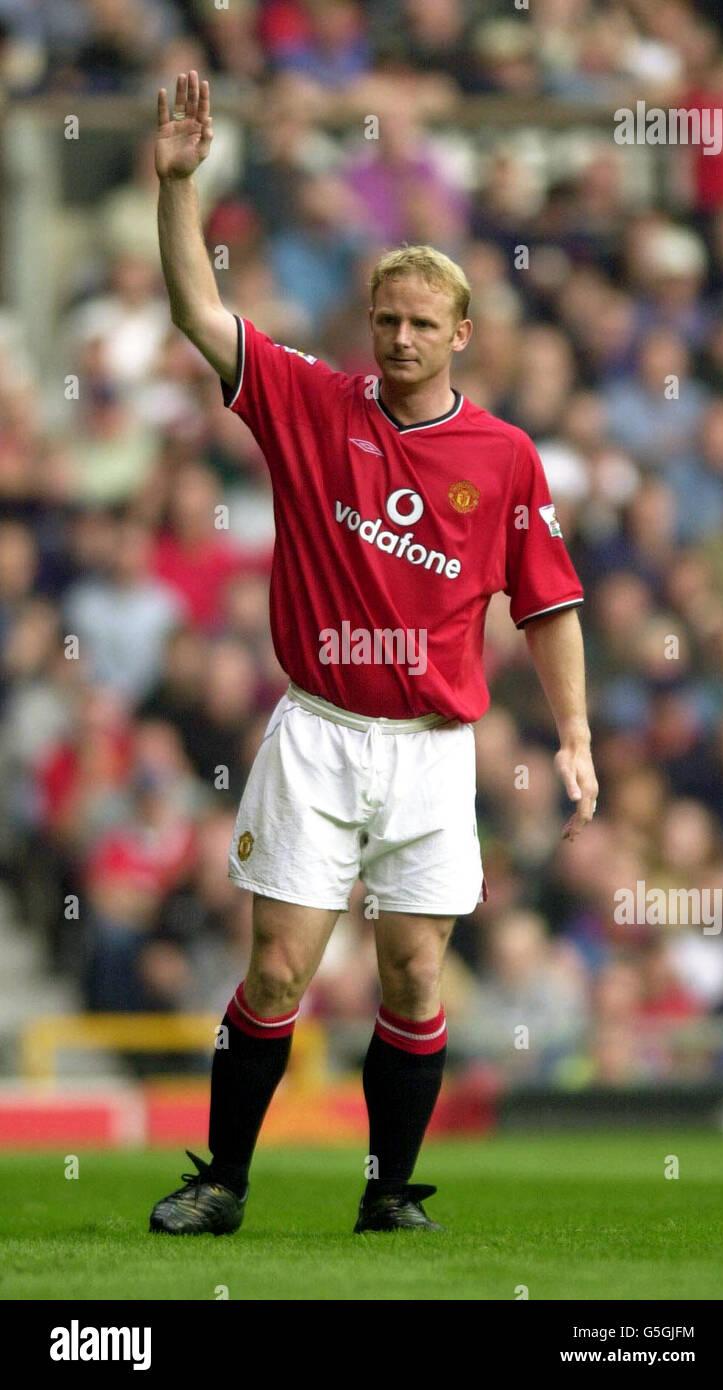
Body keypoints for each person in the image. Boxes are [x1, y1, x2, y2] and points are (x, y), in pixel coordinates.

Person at [149, 71, 598, 1236]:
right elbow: (202, 317)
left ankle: (388, 1191)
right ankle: (223, 1180)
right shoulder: (308, 403)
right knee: (279, 975)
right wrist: (178, 187)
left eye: (419, 323)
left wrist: (576, 738)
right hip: (318, 730)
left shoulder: (504, 458)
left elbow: (549, 607)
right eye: (383, 318)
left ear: (461, 334)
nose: (398, 338)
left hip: (434, 749)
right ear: (370, 323)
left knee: (412, 978)